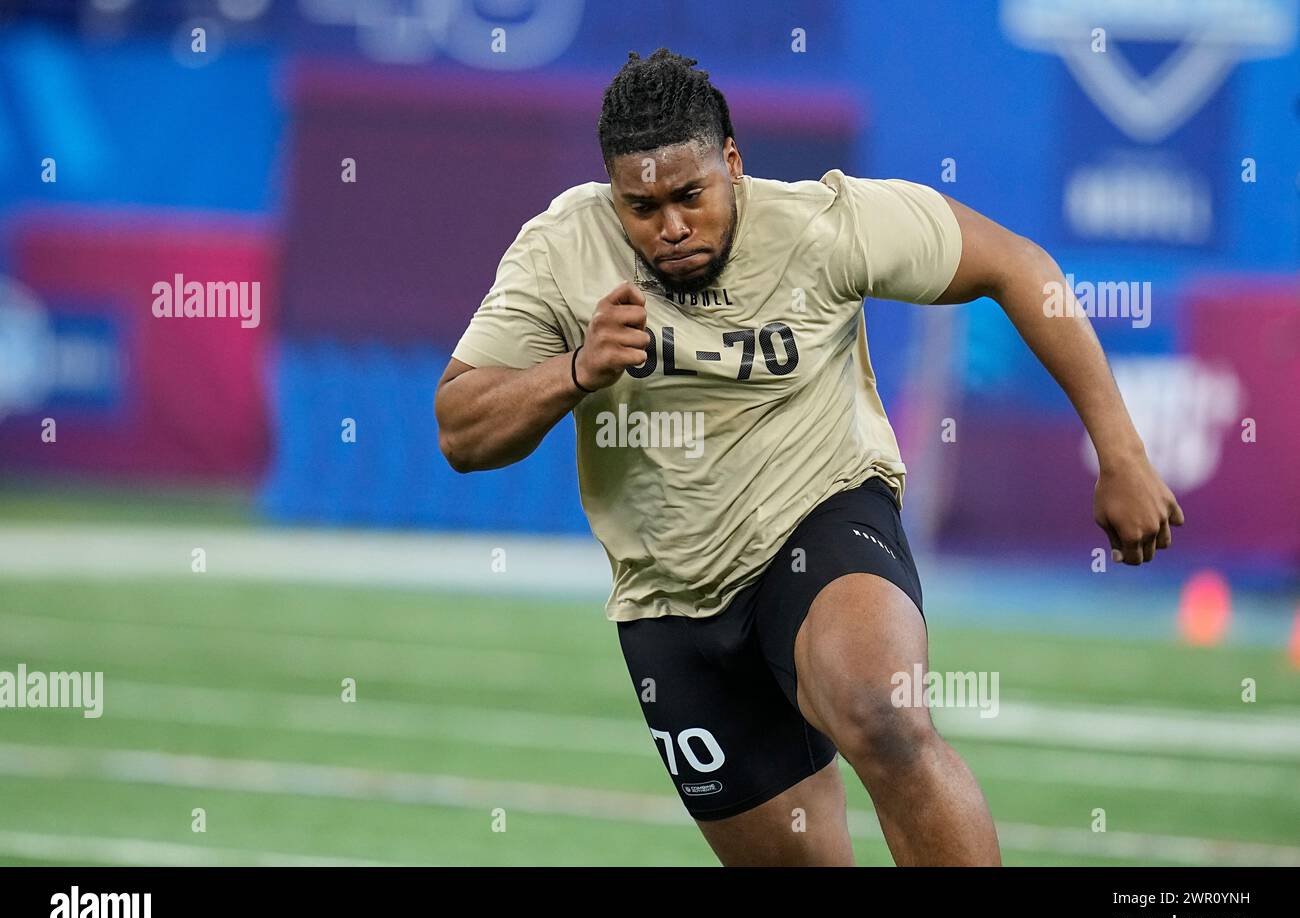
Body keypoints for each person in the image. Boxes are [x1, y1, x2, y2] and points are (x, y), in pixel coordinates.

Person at [434, 48, 1184, 866]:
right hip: (670, 598)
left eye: (691, 196)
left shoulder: (824, 224)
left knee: (883, 713)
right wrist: (573, 370)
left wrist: (1121, 451)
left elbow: (1019, 267)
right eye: (641, 207)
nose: (672, 227)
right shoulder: (561, 249)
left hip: (820, 514)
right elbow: (461, 433)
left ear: (733, 163)